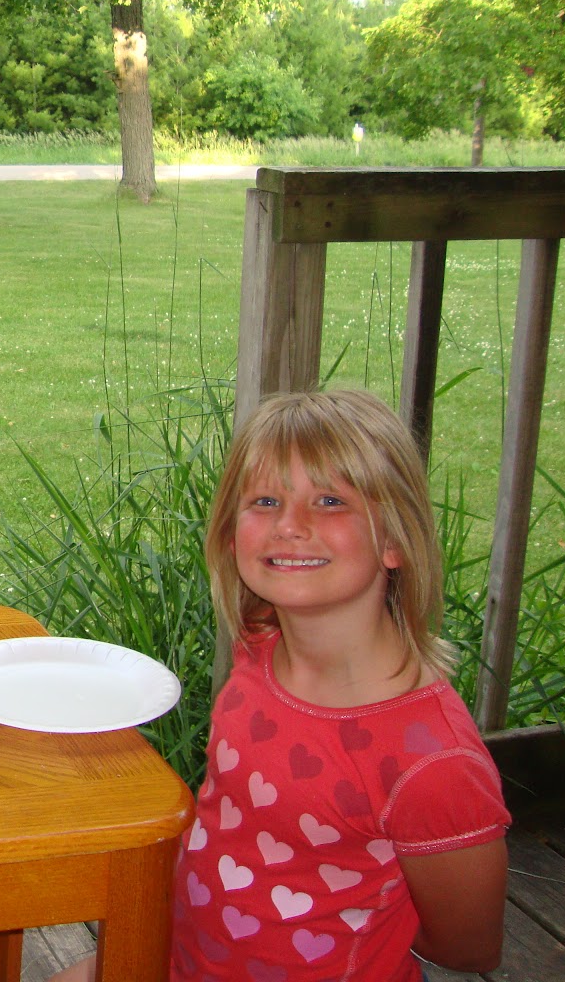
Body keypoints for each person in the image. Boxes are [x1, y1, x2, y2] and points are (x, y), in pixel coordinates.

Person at [52, 389, 510, 982]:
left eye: (329, 501)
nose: (290, 526)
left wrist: (340, 926)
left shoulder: (432, 765)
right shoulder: (260, 651)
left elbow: (468, 948)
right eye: (265, 500)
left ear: (394, 540)